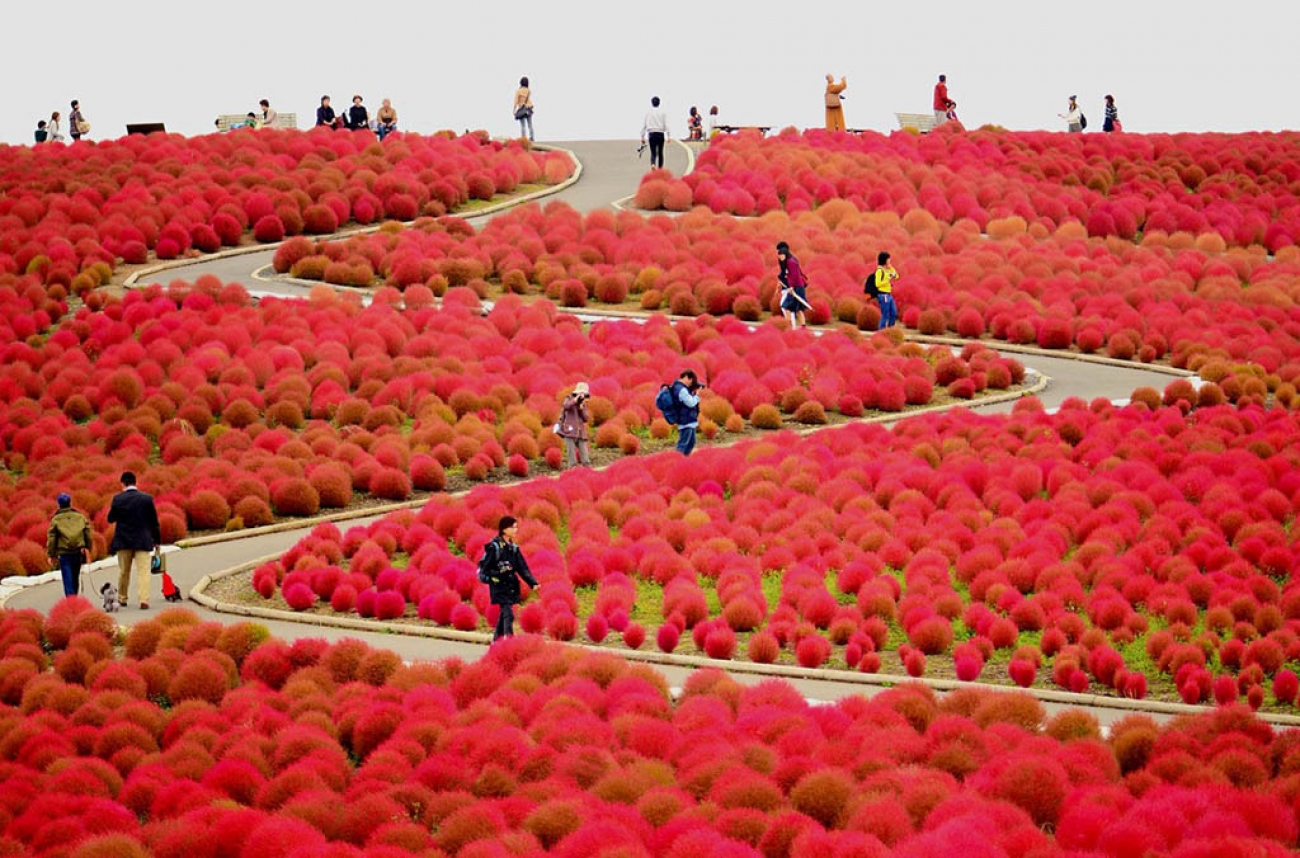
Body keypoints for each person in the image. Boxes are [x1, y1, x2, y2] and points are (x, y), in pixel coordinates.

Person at [478, 516, 538, 642]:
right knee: (508, 614)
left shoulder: (513, 548)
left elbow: (522, 567)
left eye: (516, 527)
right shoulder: (494, 547)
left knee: (504, 614)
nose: (516, 530)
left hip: (510, 586)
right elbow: (486, 568)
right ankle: (509, 642)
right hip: (499, 586)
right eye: (513, 527)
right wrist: (499, 572)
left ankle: (496, 641)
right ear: (504, 529)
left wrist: (532, 583)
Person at [107, 471, 161, 609]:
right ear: (135, 482)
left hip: (123, 541)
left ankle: (122, 598)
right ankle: (144, 600)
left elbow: (110, 519)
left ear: (123, 484)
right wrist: (157, 541)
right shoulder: (146, 499)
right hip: (142, 540)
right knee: (143, 572)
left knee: (124, 571)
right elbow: (154, 522)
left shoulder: (117, 499)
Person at [47, 493, 91, 598]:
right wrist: (88, 547)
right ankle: (74, 598)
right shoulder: (80, 517)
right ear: (70, 502)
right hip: (78, 552)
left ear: (59, 504)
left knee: (67, 578)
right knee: (75, 577)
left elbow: (52, 538)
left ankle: (71, 601)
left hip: (64, 553)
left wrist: (51, 554)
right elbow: (87, 533)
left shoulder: (56, 519)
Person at [776, 241, 810, 329]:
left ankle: (789, 327)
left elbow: (794, 275)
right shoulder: (789, 260)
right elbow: (787, 274)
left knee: (786, 306)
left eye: (781, 254)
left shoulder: (791, 262)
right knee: (798, 309)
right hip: (797, 287)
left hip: (796, 288)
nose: (779, 256)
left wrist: (791, 287)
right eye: (779, 254)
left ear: (785, 252)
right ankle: (802, 328)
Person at [558, 382, 592, 469]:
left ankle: (588, 472)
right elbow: (566, 406)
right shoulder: (569, 398)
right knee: (572, 460)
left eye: (584, 394)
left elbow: (586, 418)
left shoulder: (583, 403)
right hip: (569, 432)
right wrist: (575, 400)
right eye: (581, 393)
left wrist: (581, 408)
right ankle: (573, 472)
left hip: (581, 433)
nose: (582, 395)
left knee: (585, 459)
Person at [670, 370, 703, 456]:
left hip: (689, 420)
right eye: (691, 381)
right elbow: (690, 403)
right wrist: (697, 395)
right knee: (683, 444)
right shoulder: (681, 390)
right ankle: (677, 460)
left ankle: (684, 460)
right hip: (686, 421)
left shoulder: (681, 388)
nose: (691, 383)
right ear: (687, 378)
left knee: (691, 442)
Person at [874, 251, 900, 329]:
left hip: (889, 295)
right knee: (885, 315)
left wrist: (891, 268)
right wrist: (888, 279)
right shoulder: (879, 271)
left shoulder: (887, 269)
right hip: (883, 295)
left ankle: (890, 330)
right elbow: (877, 284)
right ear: (884, 260)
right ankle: (881, 331)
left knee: (894, 313)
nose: (889, 260)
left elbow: (897, 276)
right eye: (888, 259)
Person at [641, 96, 669, 170]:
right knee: (660, 152)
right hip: (660, 134)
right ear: (659, 103)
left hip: (651, 134)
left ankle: (653, 164)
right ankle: (660, 169)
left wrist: (642, 136)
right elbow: (666, 125)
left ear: (652, 103)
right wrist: (668, 135)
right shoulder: (663, 113)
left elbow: (644, 125)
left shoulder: (648, 113)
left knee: (653, 152)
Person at [514, 76, 534, 141]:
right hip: (529, 108)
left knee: (523, 125)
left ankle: (524, 138)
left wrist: (514, 109)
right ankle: (532, 137)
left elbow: (516, 101)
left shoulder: (518, 91)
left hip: (522, 109)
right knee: (530, 124)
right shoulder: (528, 90)